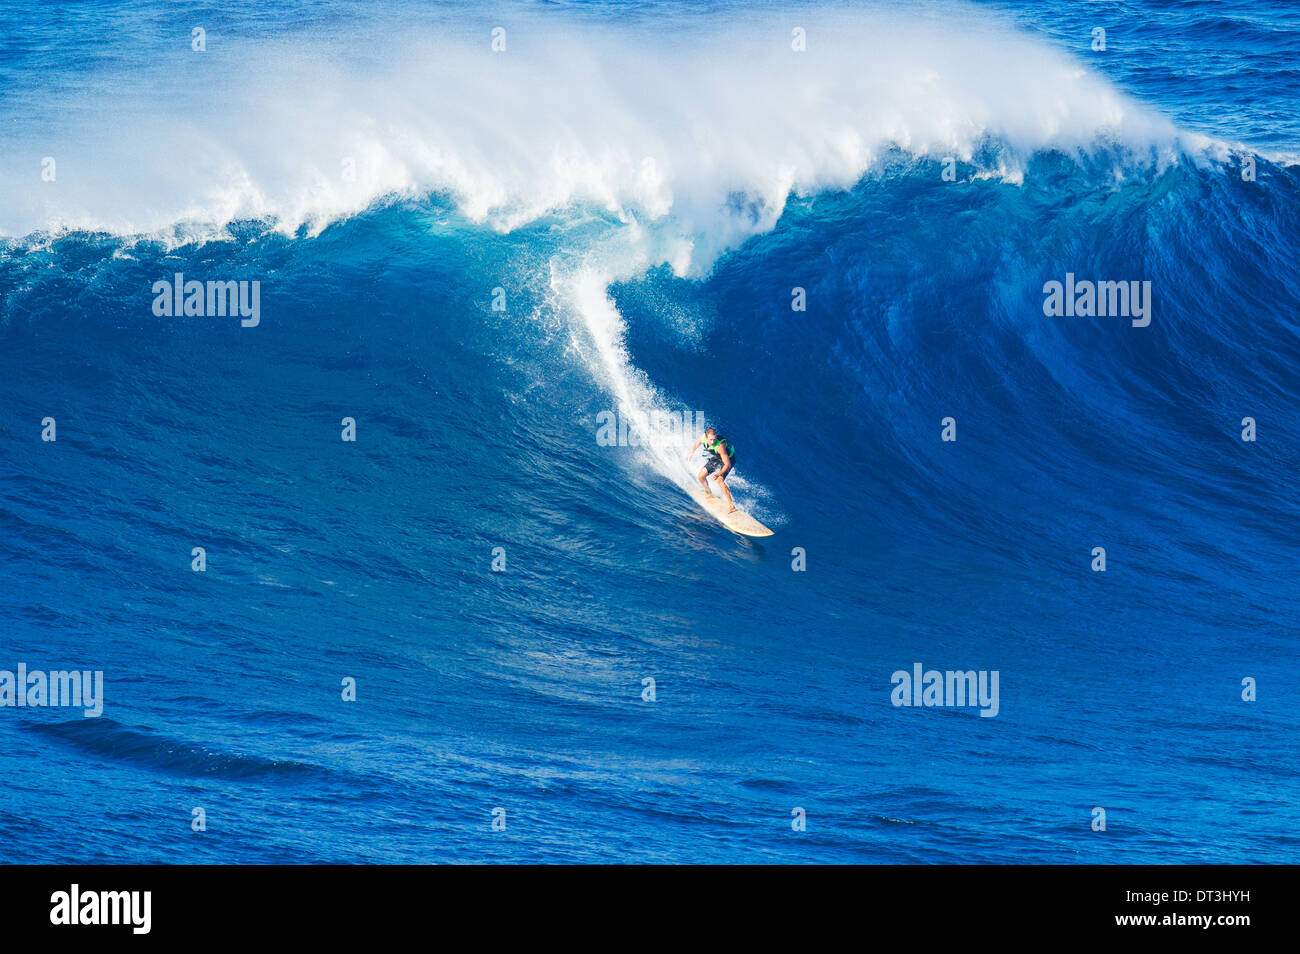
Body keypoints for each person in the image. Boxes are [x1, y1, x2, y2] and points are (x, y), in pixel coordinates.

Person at [686, 427, 737, 514]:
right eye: (710, 440)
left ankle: (732, 506)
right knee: (701, 476)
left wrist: (718, 474)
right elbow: (697, 443)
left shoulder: (719, 446)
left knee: (720, 481)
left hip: (728, 460)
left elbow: (727, 464)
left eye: (714, 439)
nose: (713, 442)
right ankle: (709, 492)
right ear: (706, 438)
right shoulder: (703, 438)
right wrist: (691, 452)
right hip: (717, 458)